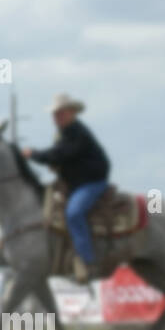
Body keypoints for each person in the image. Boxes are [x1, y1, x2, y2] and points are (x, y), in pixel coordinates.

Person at [23, 93, 111, 282]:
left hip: (90, 182)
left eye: (61, 113)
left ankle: (87, 262)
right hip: (75, 183)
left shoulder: (77, 133)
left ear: (72, 113)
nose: (57, 117)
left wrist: (34, 154)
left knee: (74, 213)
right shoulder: (66, 133)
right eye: (55, 114)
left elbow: (59, 155)